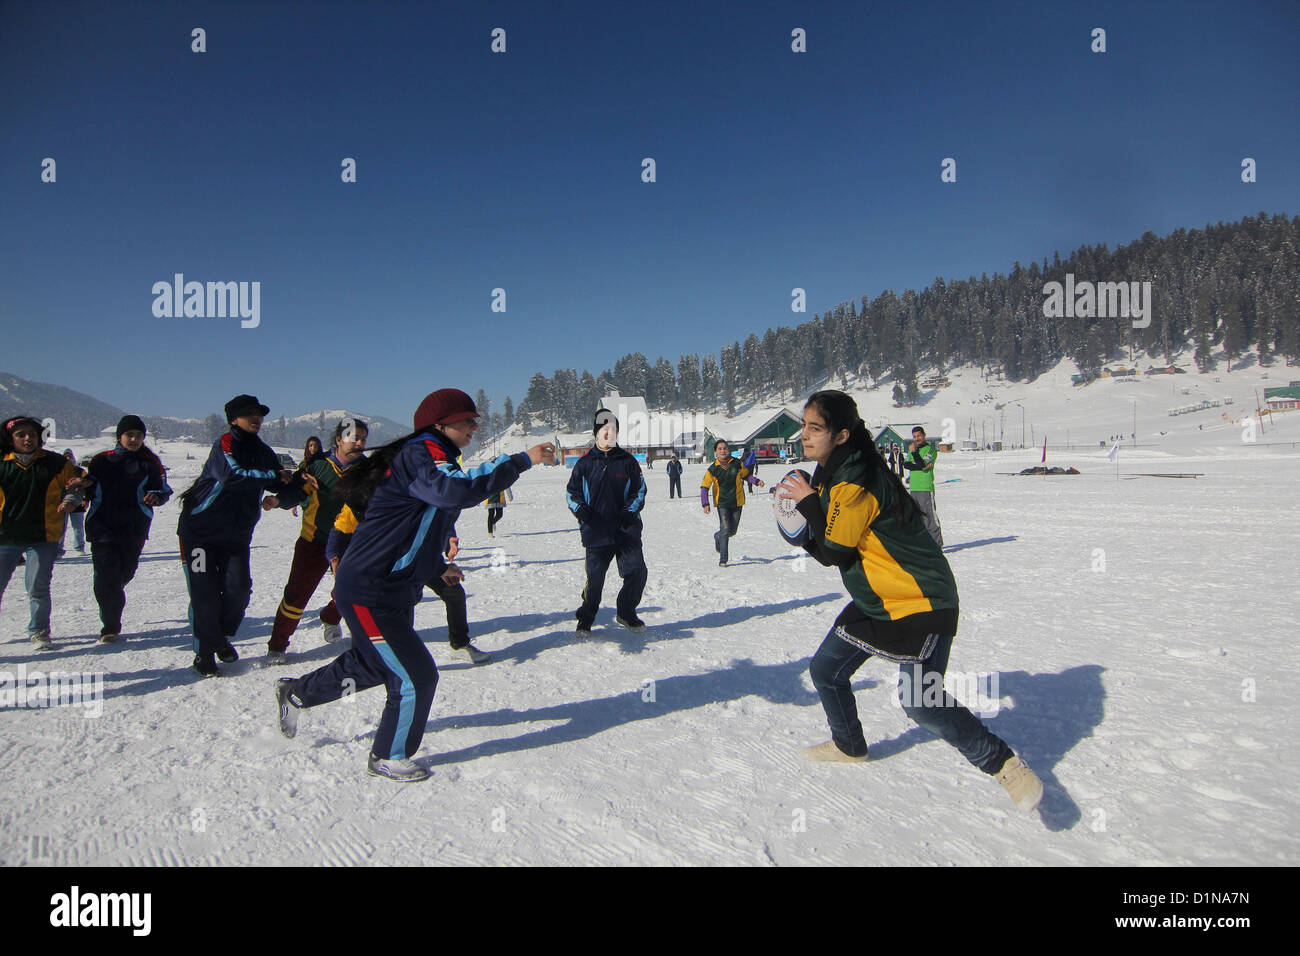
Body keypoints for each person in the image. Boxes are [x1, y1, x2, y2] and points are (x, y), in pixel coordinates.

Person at [774, 390, 1042, 812]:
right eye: (803, 425)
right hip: (879, 597)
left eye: (815, 427)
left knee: (921, 702)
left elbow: (836, 552)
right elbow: (830, 549)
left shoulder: (853, 479)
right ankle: (849, 746)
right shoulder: (830, 470)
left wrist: (806, 506)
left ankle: (1005, 765)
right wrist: (800, 526)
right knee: (826, 669)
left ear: (842, 435)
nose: (803, 435)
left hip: (921, 599)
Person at [276, 389, 554, 782]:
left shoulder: (431, 455)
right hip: (369, 588)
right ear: (438, 425)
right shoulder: (423, 453)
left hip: (393, 587)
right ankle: (388, 755)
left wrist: (436, 566)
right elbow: (454, 491)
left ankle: (296, 693)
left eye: (474, 419)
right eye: (465, 420)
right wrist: (522, 460)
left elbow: (419, 525)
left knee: (371, 665)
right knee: (416, 674)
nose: (474, 425)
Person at [177, 395, 310, 677]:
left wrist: (299, 481)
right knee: (205, 593)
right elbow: (232, 475)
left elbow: (279, 485)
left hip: (235, 536)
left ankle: (220, 637)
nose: (256, 418)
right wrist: (275, 473)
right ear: (233, 419)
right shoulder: (225, 443)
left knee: (239, 590)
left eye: (259, 414)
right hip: (199, 533)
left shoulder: (263, 451)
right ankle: (204, 653)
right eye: (249, 414)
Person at [265, 418, 368, 663]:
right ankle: (277, 646)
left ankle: (331, 617)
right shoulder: (317, 465)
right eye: (355, 437)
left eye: (364, 438)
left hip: (349, 542)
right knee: (296, 595)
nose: (360, 443)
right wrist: (278, 501)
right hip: (313, 541)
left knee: (352, 590)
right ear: (339, 439)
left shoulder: (367, 469)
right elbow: (296, 491)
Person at [79, 416, 173, 643]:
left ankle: (113, 590)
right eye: (129, 435)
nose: (134, 439)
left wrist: (156, 496)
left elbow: (163, 489)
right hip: (102, 526)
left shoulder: (150, 462)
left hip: (134, 527)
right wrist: (81, 494)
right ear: (119, 436)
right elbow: (89, 487)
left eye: (139, 436)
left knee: (125, 573)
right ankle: (110, 626)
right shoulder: (101, 460)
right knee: (105, 579)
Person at [0, 417, 85, 649]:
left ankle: (39, 631)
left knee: (38, 586)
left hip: (43, 535)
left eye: (33, 434)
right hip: (5, 536)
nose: (28, 438)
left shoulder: (55, 463)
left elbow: (78, 482)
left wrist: (70, 499)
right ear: (11, 438)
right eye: (21, 434)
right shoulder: (2, 461)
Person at [565, 409, 647, 635]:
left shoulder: (628, 461)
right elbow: (572, 493)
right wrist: (582, 512)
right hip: (596, 532)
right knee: (595, 582)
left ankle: (626, 612)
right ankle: (586, 618)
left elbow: (639, 490)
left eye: (613, 429)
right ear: (596, 433)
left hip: (625, 530)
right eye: (605, 429)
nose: (609, 433)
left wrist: (629, 512)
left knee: (637, 572)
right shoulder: (584, 464)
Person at [700, 439, 763, 566]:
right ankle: (723, 559)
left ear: (728, 450)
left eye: (725, 448)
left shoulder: (737, 463)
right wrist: (705, 503)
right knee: (725, 529)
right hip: (722, 503)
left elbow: (746, 475)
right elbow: (704, 487)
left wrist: (756, 481)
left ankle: (718, 537)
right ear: (716, 452)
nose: (723, 451)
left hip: (737, 501)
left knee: (732, 531)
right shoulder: (713, 469)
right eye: (720, 449)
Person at [902, 426, 943, 547]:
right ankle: (922, 543)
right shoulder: (912, 449)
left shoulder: (930, 449)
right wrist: (917, 463)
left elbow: (923, 466)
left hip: (925, 488)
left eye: (919, 436)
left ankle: (937, 544)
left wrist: (915, 456)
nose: (916, 438)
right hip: (914, 487)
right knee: (917, 517)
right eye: (914, 437)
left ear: (924, 435)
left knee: (929, 516)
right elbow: (907, 464)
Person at [59, 449, 87, 555]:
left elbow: (87, 485)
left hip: (78, 502)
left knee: (78, 526)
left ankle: (79, 547)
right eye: (65, 457)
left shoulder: (80, 471)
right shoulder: (59, 470)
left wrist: (85, 499)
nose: (68, 459)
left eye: (69, 456)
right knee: (61, 527)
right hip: (62, 502)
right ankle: (58, 549)